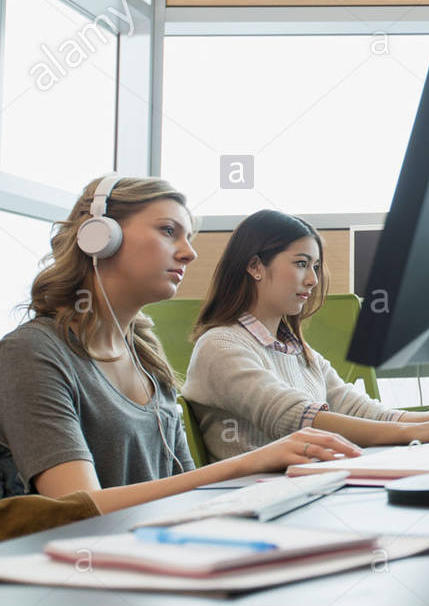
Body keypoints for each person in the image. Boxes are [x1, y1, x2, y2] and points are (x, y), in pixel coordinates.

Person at [0, 175, 363, 524]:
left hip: (154, 557)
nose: (189, 253)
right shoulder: (32, 352)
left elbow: (187, 491)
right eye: (168, 231)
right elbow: (75, 509)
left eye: (188, 237)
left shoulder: (147, 361)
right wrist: (250, 461)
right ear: (100, 238)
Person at [182, 209, 429, 461]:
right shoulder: (221, 346)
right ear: (254, 266)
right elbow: (300, 419)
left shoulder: (299, 352)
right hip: (254, 506)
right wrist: (419, 431)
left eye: (314, 267)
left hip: (305, 491)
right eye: (301, 263)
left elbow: (368, 413)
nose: (312, 280)